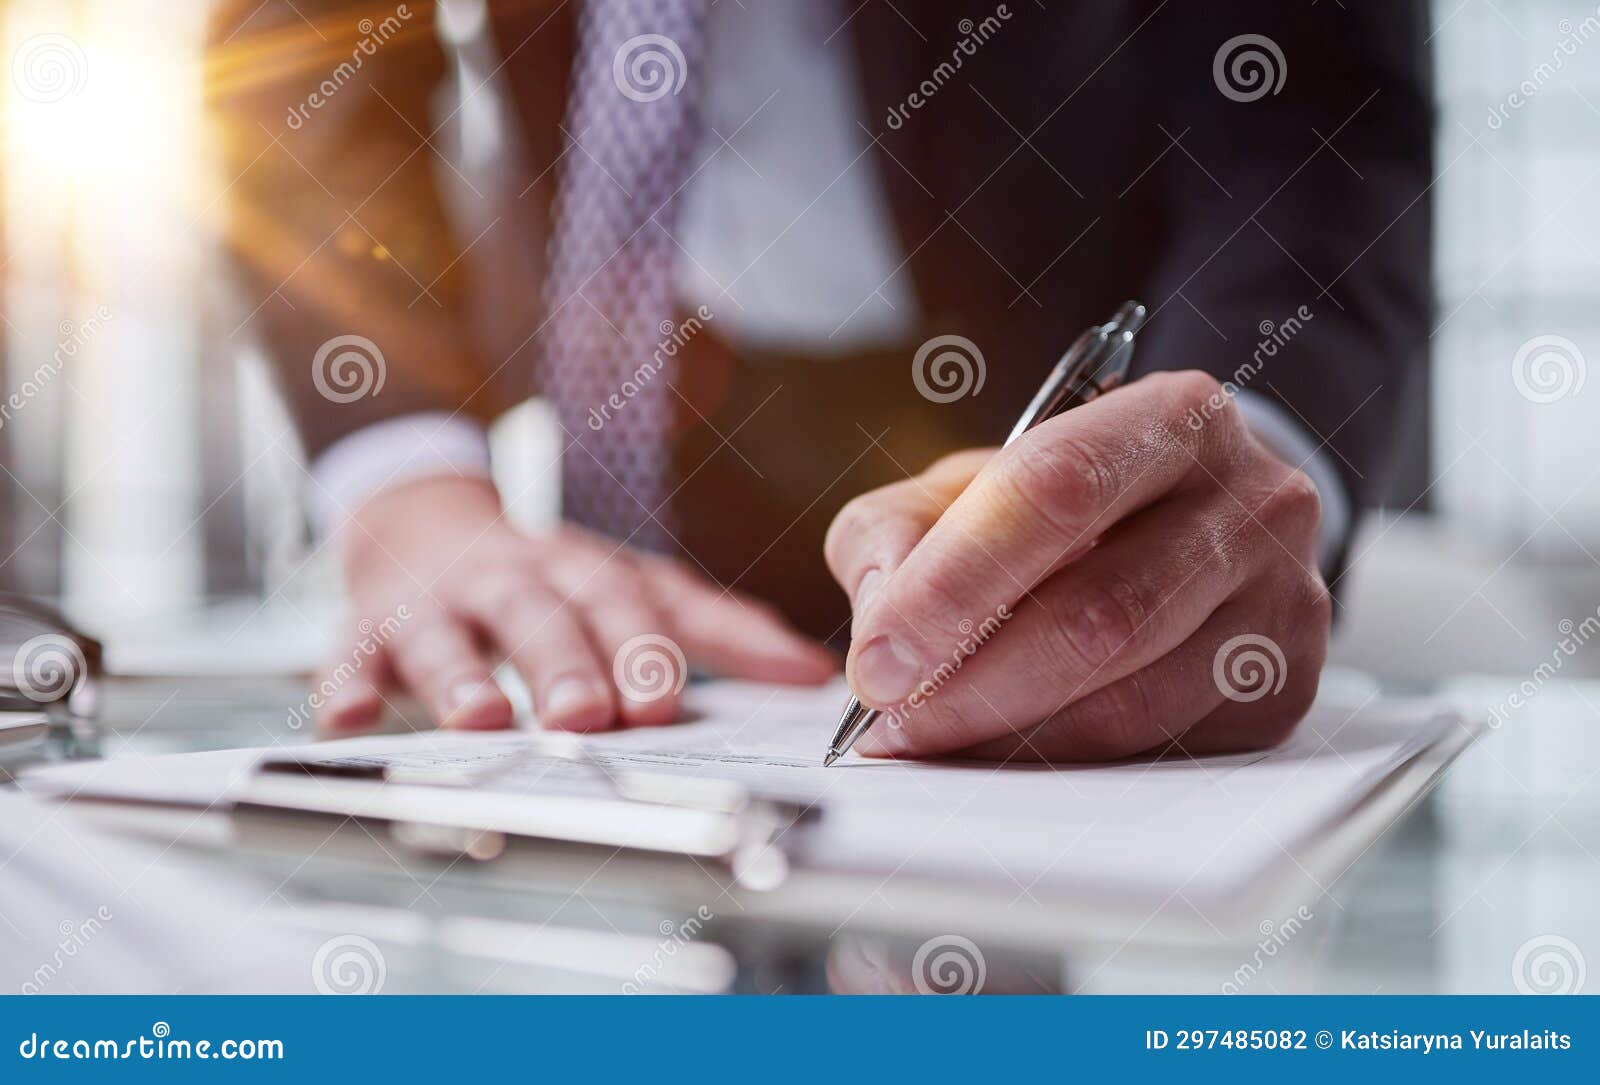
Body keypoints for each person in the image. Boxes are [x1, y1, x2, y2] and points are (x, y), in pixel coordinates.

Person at [208, 0, 1432, 760]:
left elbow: (1308, 86)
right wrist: (408, 482)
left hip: (1042, 418)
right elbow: (297, 82)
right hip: (666, 419)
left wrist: (1228, 429)